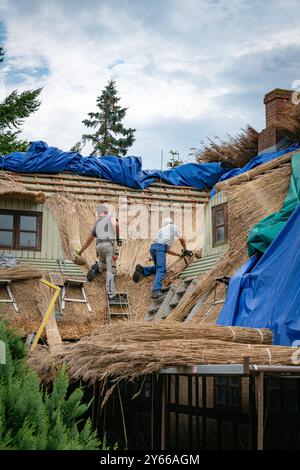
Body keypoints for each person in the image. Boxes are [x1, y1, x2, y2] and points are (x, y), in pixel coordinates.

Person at [132, 217, 189, 299]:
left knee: (157, 268)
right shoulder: (173, 227)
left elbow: (167, 250)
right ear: (171, 222)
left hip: (153, 248)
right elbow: (181, 239)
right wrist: (185, 249)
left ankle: (143, 270)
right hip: (160, 248)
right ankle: (156, 290)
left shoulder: (161, 230)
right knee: (162, 269)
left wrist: (178, 254)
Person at [76, 204, 120, 298]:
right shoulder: (111, 217)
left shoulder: (97, 223)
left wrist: (80, 252)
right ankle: (111, 294)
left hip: (99, 247)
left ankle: (97, 266)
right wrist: (118, 237)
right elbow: (116, 224)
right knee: (111, 269)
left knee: (104, 262)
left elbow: (89, 240)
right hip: (109, 246)